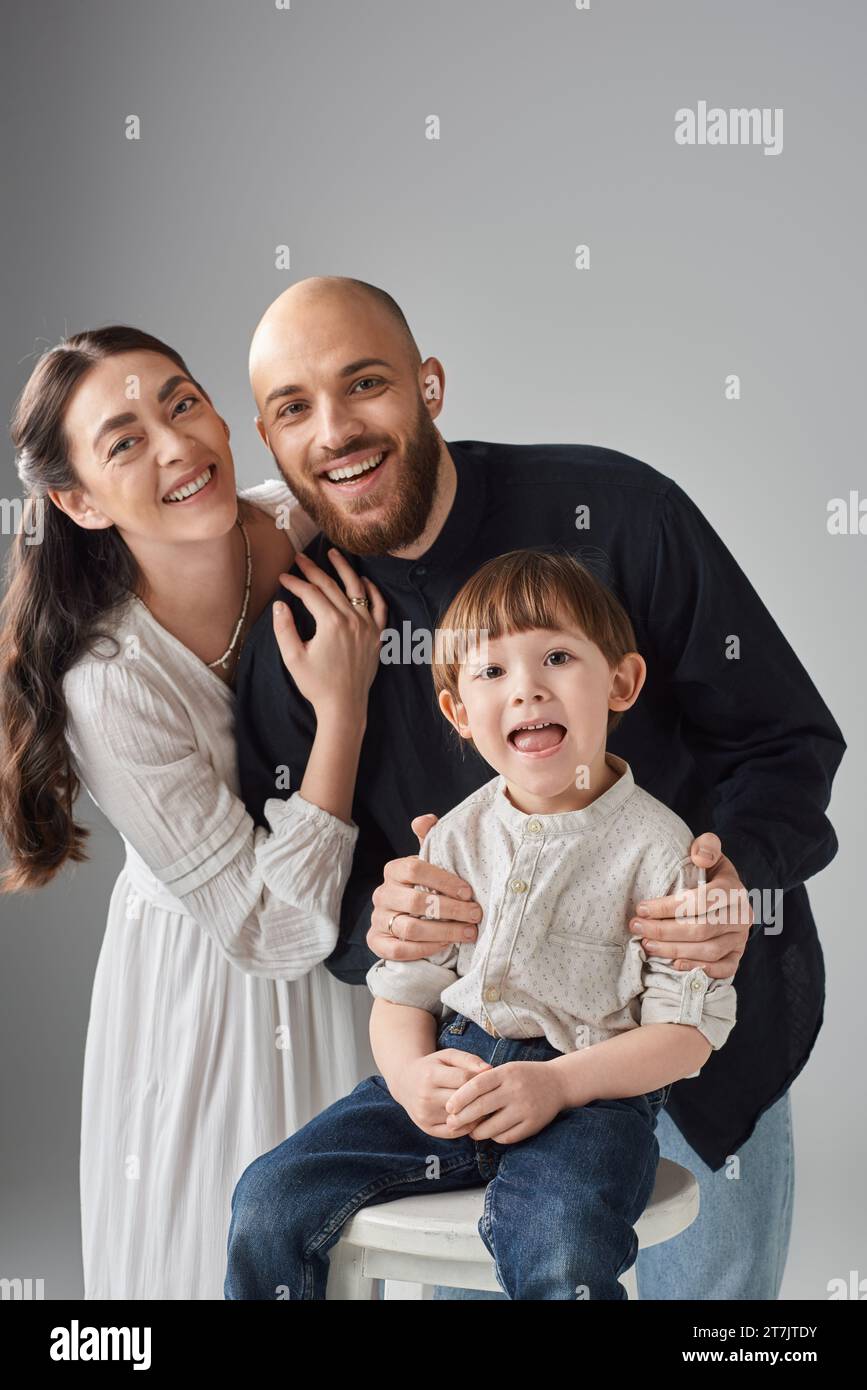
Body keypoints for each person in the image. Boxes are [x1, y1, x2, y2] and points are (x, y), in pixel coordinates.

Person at [232, 275, 846, 1299]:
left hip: (674, 1032)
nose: (335, 430)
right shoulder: (302, 633)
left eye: (366, 384)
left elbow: (787, 742)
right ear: (269, 434)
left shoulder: (619, 513)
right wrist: (379, 927)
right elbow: (314, 899)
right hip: (466, 1070)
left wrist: (732, 879)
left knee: (719, 1312)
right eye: (296, 408)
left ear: (429, 386)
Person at [224, 548, 740, 1299]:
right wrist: (409, 1075)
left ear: (620, 682)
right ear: (459, 713)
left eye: (556, 657)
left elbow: (687, 1035)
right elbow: (403, 991)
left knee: (561, 1242)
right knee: (271, 1195)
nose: (526, 690)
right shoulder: (453, 838)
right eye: (491, 673)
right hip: (455, 1071)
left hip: (589, 1093)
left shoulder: (667, 853)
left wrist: (558, 1086)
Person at [0, 325, 387, 1299]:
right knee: (210, 1247)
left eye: (181, 402)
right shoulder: (112, 680)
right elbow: (265, 928)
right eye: (124, 440)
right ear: (77, 500)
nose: (176, 444)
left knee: (365, 1254)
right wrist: (341, 709)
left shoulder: (304, 530)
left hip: (349, 959)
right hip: (214, 979)